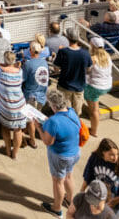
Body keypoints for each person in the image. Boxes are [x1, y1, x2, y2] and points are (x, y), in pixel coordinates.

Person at [39, 89, 82, 219]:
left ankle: (56, 209)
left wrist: (38, 127)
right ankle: (69, 200)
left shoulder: (53, 121)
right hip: (74, 153)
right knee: (69, 176)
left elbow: (48, 141)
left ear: (52, 105)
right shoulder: (72, 112)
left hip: (60, 156)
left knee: (58, 181)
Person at [81, 139, 119, 217]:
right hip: (96, 202)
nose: (115, 157)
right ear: (103, 152)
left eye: (117, 154)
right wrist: (81, 192)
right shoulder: (94, 158)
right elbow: (88, 177)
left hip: (113, 207)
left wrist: (111, 203)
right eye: (111, 154)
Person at [0, 51, 27, 158]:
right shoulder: (19, 72)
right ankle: (14, 153)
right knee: (18, 129)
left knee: (5, 127)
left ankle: (8, 150)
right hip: (19, 105)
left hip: (6, 105)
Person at [54, 30, 92, 116]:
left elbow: (56, 68)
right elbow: (89, 70)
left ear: (68, 38)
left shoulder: (63, 52)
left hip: (64, 87)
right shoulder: (85, 53)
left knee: (65, 112)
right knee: (77, 114)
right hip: (79, 87)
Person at [84, 38, 113, 136]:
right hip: (107, 85)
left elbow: (86, 70)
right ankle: (96, 113)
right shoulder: (107, 56)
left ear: (93, 46)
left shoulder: (93, 58)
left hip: (95, 87)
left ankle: (94, 131)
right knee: (94, 105)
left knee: (93, 111)